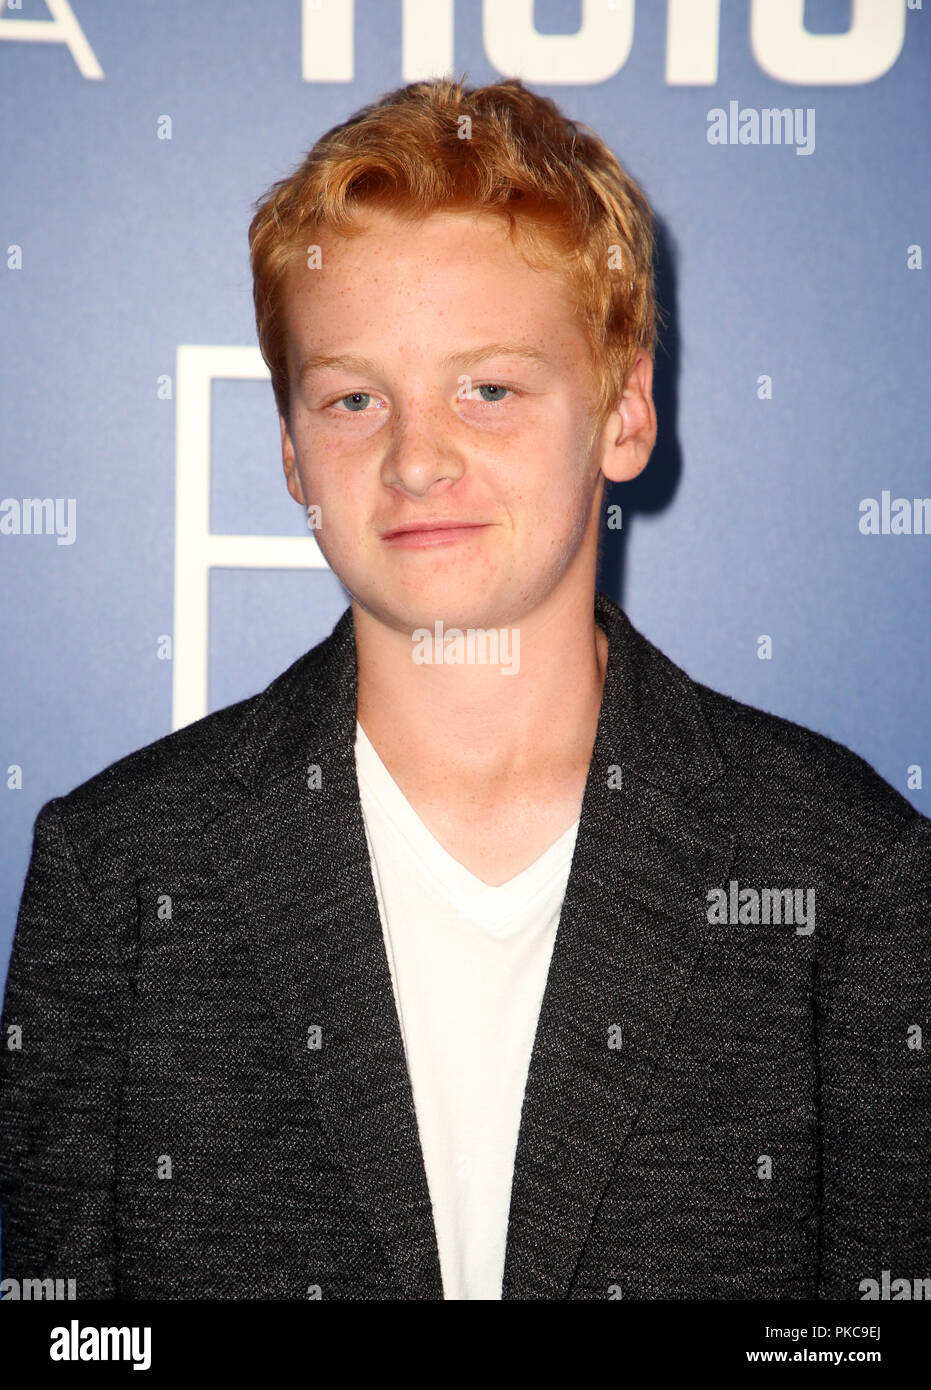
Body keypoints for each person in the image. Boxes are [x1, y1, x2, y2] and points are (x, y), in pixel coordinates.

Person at [1, 77, 928, 1302]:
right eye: (352, 398)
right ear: (289, 447)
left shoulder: (844, 870)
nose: (417, 457)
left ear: (626, 412)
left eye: (487, 388)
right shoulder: (116, 871)